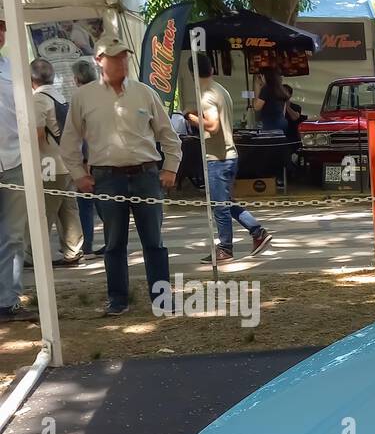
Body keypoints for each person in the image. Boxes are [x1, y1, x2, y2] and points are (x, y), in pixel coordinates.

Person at [59, 36, 180, 316]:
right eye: (114, 57)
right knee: (114, 243)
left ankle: (161, 298)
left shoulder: (144, 93)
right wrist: (80, 175)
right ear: (99, 60)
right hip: (106, 178)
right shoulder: (83, 97)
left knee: (154, 241)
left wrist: (171, 166)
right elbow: (69, 142)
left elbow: (168, 135)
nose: (121, 62)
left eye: (124, 56)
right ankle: (118, 299)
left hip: (146, 175)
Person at [183, 54, 273, 260]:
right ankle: (257, 232)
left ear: (193, 73)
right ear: (212, 69)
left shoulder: (206, 96)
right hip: (229, 154)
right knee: (225, 202)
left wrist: (190, 116)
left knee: (220, 206)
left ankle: (226, 248)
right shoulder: (220, 90)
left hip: (217, 157)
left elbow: (213, 126)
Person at [29, 58, 83, 268]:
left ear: (31, 78)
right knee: (69, 209)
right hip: (66, 161)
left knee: (45, 211)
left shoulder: (37, 100)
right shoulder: (58, 95)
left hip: (49, 163)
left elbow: (38, 135)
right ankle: (73, 250)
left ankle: (35, 254)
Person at [0, 20, 33, 321]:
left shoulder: (14, 69)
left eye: (1, 26)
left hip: (13, 162)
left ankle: (8, 301)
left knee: (13, 236)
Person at [69, 58, 103, 260]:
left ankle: (88, 245)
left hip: (88, 160)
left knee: (85, 206)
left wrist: (81, 162)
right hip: (105, 159)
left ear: (76, 79)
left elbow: (78, 134)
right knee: (104, 205)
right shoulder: (104, 94)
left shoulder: (79, 97)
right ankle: (112, 242)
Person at [252, 68, 291, 133]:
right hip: (282, 123)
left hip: (271, 125)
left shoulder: (266, 89)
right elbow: (283, 110)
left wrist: (257, 85)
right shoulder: (280, 89)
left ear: (265, 76)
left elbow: (256, 107)